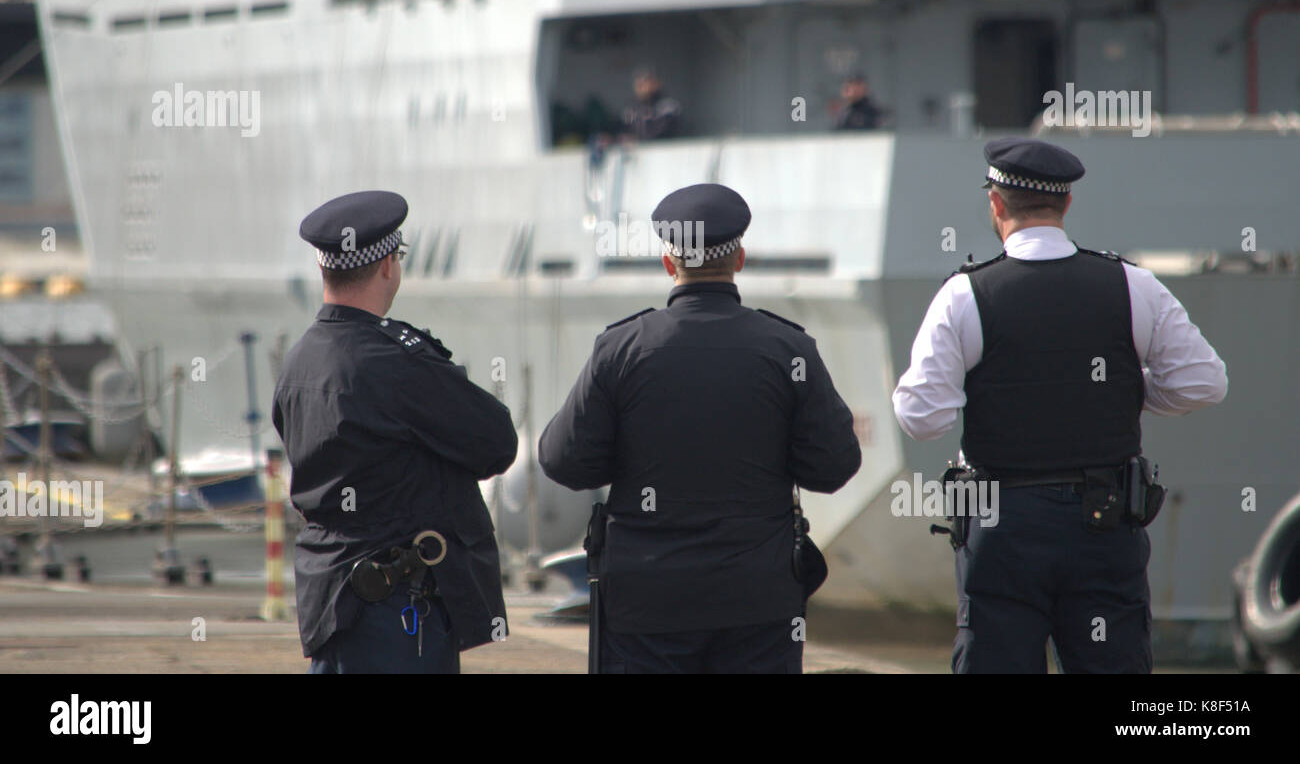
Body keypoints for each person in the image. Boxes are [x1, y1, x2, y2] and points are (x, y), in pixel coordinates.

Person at [892, 139, 1228, 674]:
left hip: (1001, 529)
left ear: (997, 204)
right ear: (1066, 205)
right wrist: (1119, 390)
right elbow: (1204, 383)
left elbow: (921, 419)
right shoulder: (1131, 284)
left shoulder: (964, 294)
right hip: (1104, 522)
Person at [539, 182, 861, 673]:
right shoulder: (789, 349)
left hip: (647, 603)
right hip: (758, 600)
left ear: (669, 264)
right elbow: (834, 466)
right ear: (740, 259)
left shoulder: (620, 348)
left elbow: (564, 461)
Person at [272, 190, 518, 673]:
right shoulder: (393, 362)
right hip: (397, 618)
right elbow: (497, 442)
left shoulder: (299, 362)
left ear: (325, 269)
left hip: (332, 604)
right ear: (387, 265)